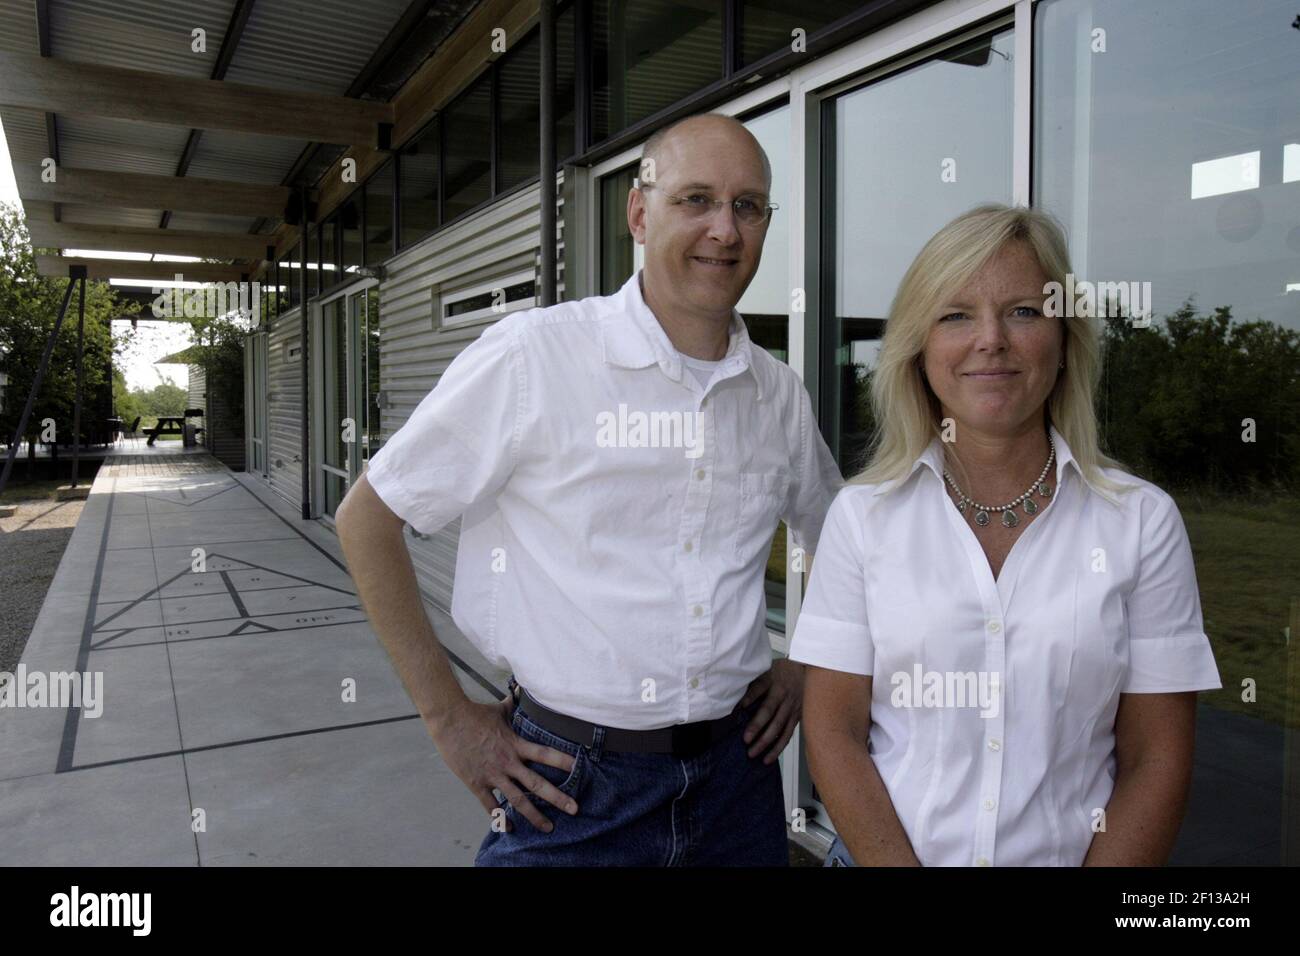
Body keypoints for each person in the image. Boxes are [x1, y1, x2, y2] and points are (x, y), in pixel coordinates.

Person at [336, 112, 842, 866]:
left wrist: (804, 666)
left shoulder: (778, 395)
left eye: (747, 206)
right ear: (639, 213)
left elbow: (842, 541)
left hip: (739, 785)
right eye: (695, 199)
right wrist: (449, 719)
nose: (724, 231)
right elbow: (367, 519)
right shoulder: (533, 358)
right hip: (570, 788)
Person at [790, 204, 1220, 867]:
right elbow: (833, 729)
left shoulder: (1142, 522)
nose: (990, 339)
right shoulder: (862, 517)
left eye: (1023, 311)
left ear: (1064, 338)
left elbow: (1156, 759)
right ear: (919, 346)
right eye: (956, 314)